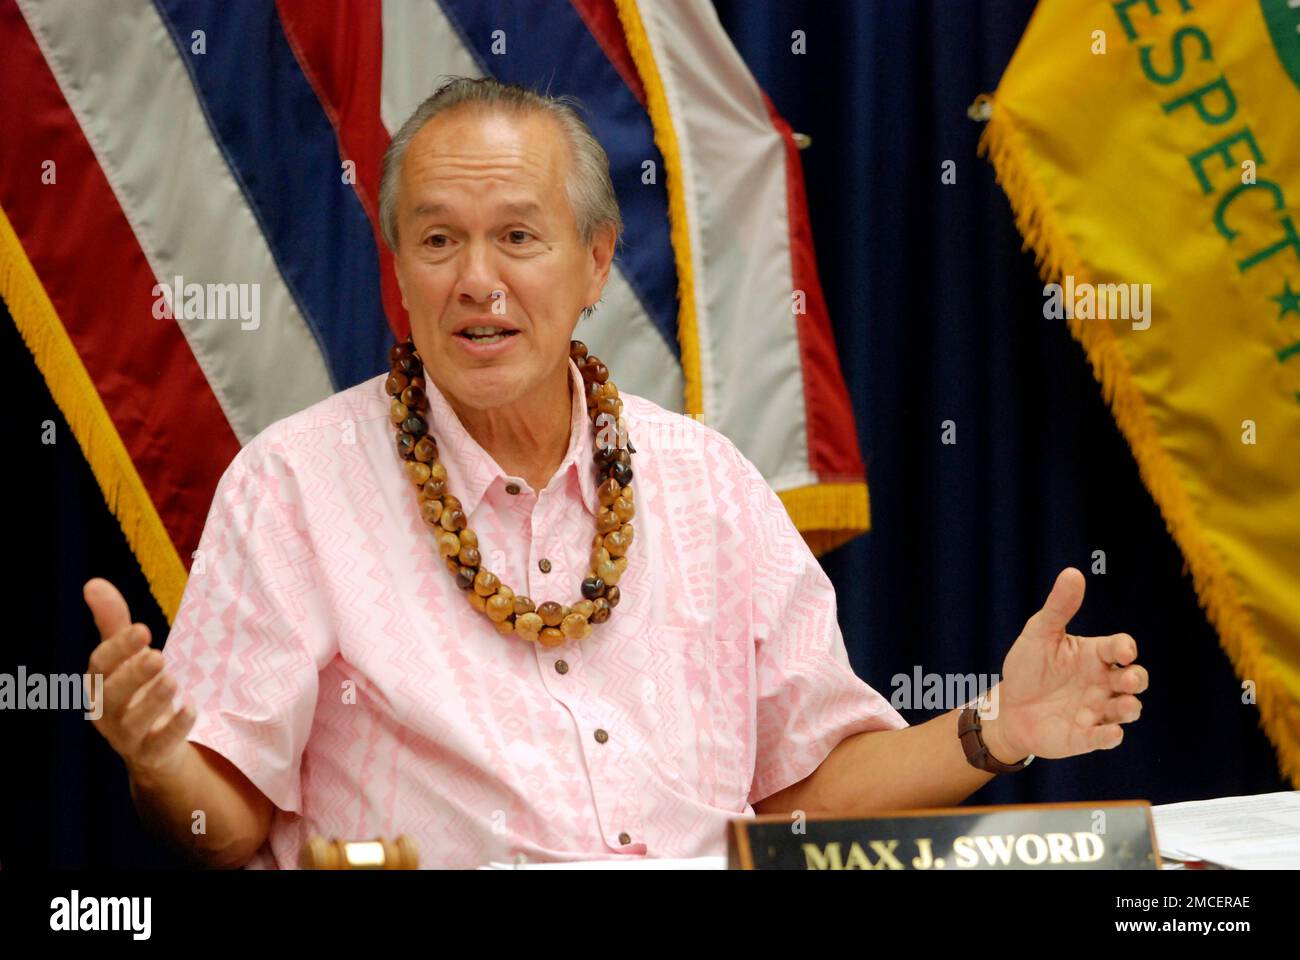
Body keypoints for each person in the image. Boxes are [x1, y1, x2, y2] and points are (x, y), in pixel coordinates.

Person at [82, 77, 1147, 869]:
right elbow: (220, 833)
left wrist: (994, 729)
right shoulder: (291, 488)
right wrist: (157, 760)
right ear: (396, 267)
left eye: (518, 237)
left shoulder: (708, 486)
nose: (478, 281)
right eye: (439, 240)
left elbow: (801, 793)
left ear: (596, 263)